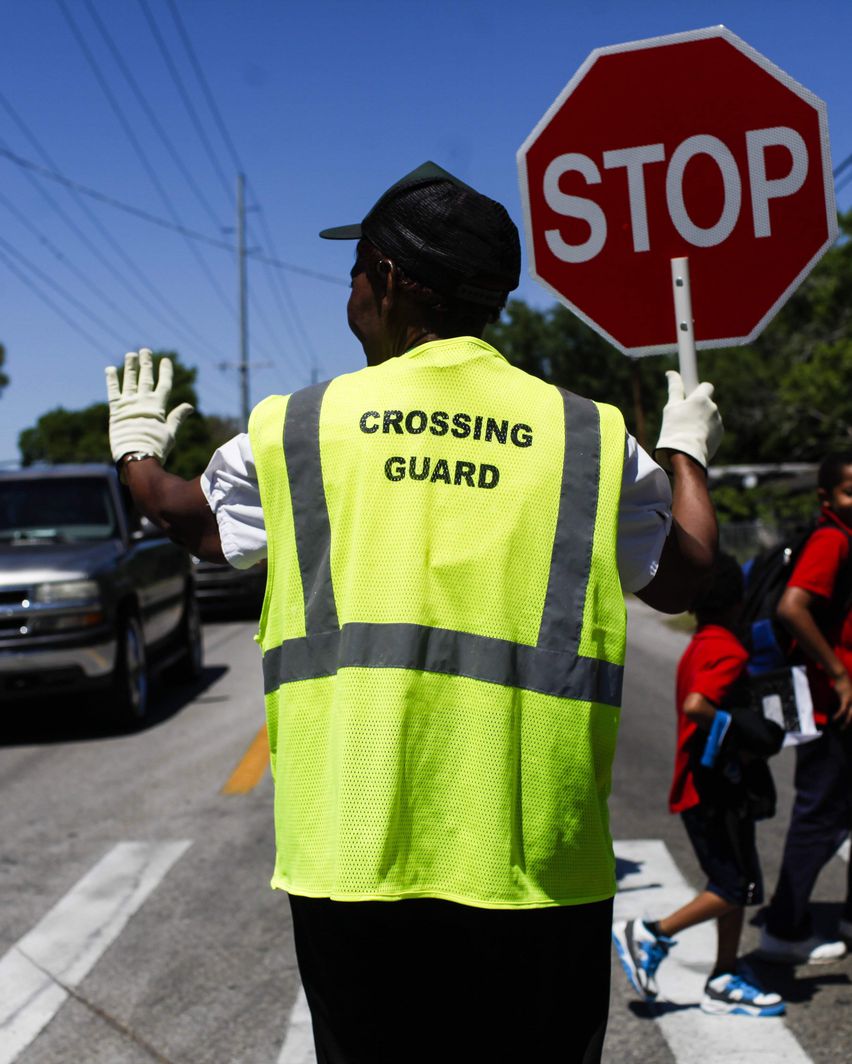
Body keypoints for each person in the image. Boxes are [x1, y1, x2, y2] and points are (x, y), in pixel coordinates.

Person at [105, 161, 721, 1064]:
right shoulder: (585, 437)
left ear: (388, 281)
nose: (351, 298)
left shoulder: (300, 427)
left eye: (356, 275)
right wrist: (685, 451)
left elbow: (186, 518)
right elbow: (686, 576)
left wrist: (133, 448)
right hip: (537, 872)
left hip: (355, 860)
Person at [612, 554, 786, 1017]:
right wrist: (743, 727)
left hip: (712, 786)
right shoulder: (727, 650)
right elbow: (696, 705)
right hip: (713, 789)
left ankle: (724, 976)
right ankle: (652, 933)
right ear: (738, 600)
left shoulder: (702, 642)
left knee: (737, 881)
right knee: (731, 887)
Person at [757, 452, 852, 964]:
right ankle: (784, 927)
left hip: (836, 698)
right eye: (849, 492)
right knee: (818, 816)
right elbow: (792, 607)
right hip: (832, 702)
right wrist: (838, 674)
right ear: (827, 498)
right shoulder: (833, 539)